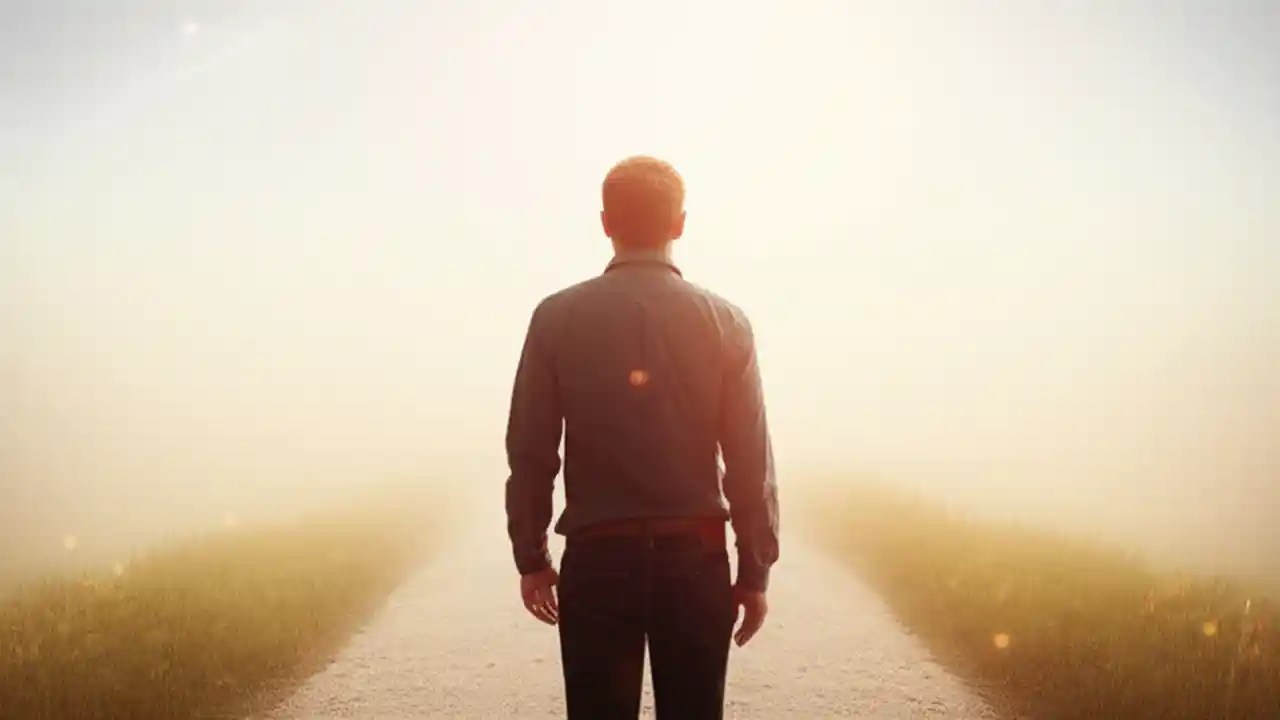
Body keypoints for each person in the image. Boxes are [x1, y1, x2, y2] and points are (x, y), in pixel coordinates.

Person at [504, 155, 780, 719]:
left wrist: (532, 557)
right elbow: (750, 456)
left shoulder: (555, 317)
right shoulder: (726, 322)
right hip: (695, 561)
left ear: (606, 222)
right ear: (679, 224)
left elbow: (531, 449)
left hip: (598, 561)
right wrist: (754, 570)